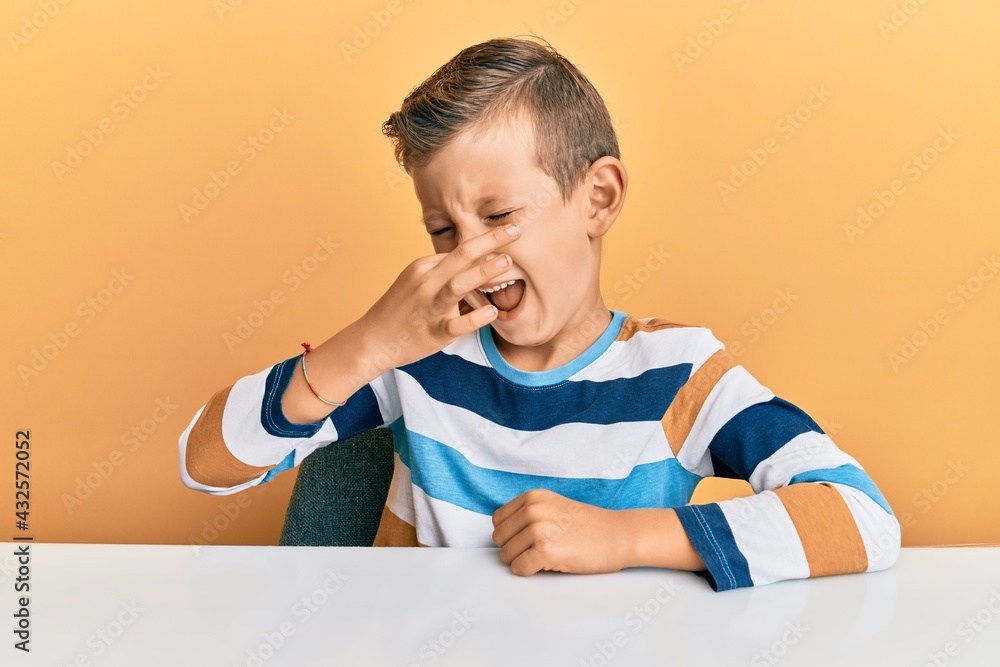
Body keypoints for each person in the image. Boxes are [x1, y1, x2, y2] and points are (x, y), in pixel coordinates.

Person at [178, 36, 899, 591]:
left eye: (499, 215)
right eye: (442, 230)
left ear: (599, 198)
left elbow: (862, 517)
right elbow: (204, 463)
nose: (472, 257)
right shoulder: (415, 362)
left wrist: (625, 539)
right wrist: (368, 345)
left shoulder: (680, 374)